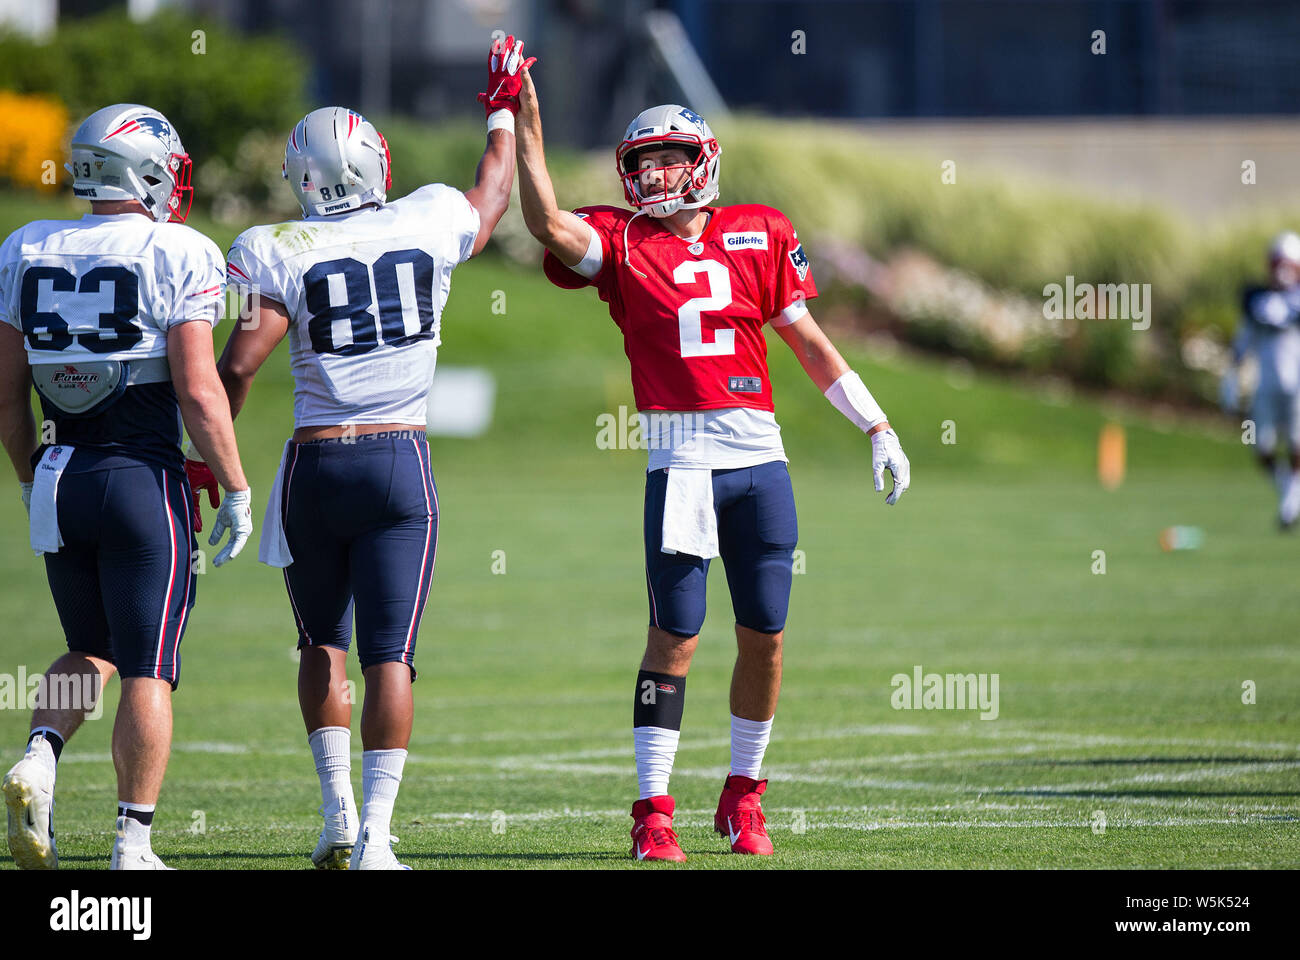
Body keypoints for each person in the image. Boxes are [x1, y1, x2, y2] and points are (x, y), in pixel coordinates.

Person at [513, 69, 910, 860]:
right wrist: (524, 116)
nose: (656, 173)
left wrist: (877, 424)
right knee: (676, 637)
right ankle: (652, 811)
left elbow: (808, 342)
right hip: (682, 461)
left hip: (760, 457)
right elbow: (547, 223)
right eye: (646, 160)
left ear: (704, 159)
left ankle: (743, 796)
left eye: (670, 157)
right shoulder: (622, 241)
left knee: (766, 635)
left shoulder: (761, 230)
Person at [210, 37, 524, 870]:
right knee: (392, 653)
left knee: (323, 644)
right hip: (398, 462)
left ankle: (338, 814)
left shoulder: (276, 248)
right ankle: (380, 838)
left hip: (313, 466)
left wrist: (211, 453)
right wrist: (503, 104)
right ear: (376, 165)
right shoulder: (424, 216)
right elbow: (493, 195)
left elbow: (238, 364)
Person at [0, 104, 252, 870]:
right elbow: (201, 390)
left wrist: (25, 477)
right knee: (147, 665)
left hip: (57, 472)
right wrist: (237, 487)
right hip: (140, 476)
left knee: (90, 646)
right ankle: (132, 843)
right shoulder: (176, 248)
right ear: (142, 170)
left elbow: (7, 394)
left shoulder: (25, 244)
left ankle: (40, 756)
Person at [1221, 231, 1300, 529]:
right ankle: (1289, 496)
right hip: (1265, 387)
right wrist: (1230, 380)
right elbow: (1243, 344)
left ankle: (1290, 505)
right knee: (1261, 448)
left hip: (1297, 387)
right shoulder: (1259, 303)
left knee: (1296, 445)